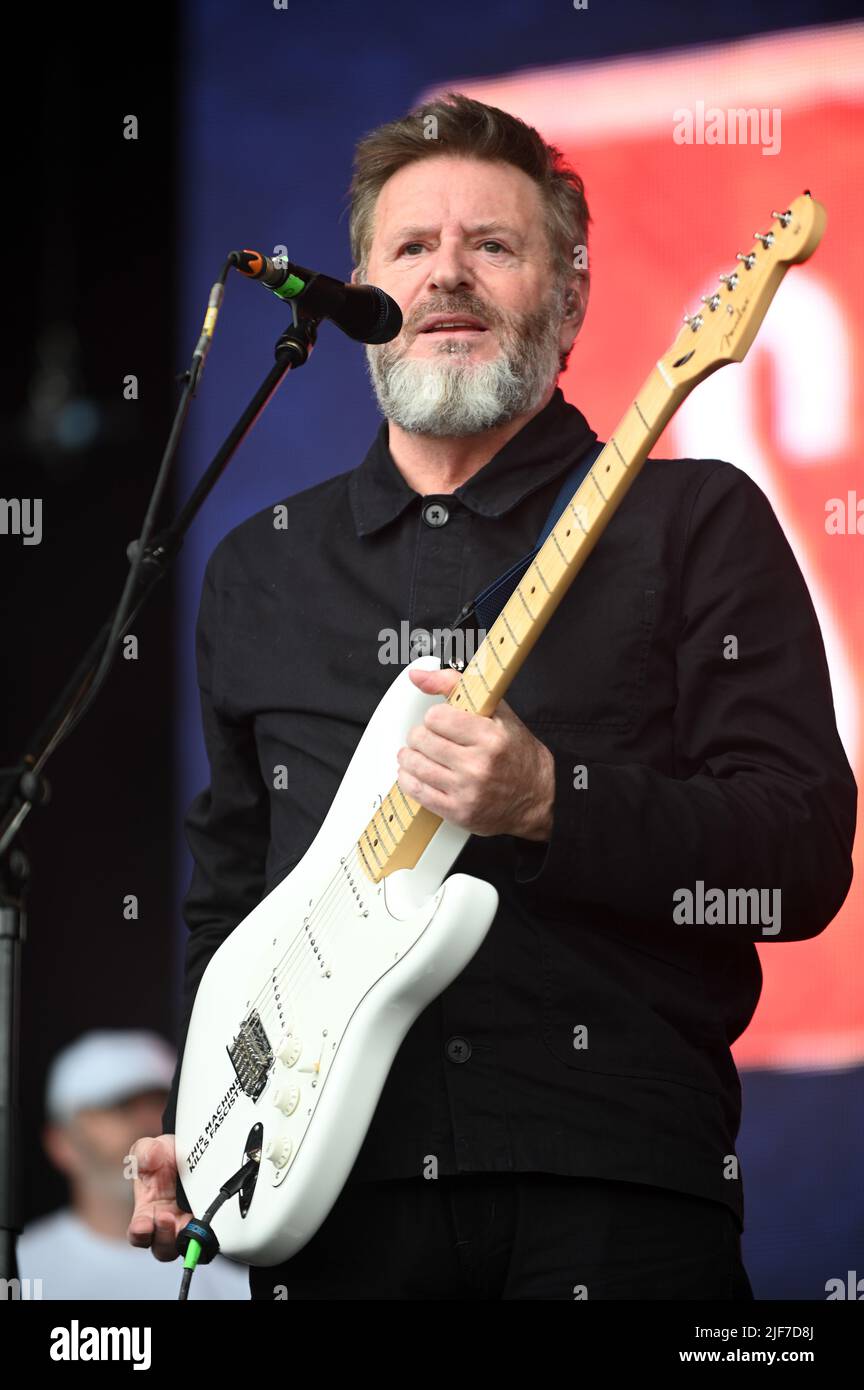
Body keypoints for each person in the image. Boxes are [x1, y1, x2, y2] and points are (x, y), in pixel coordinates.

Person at [127, 92, 857, 1300]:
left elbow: (800, 858)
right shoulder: (262, 566)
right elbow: (234, 900)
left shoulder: (696, 522)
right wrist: (202, 1123)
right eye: (411, 249)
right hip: (330, 1209)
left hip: (612, 1193)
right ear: (360, 295)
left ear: (569, 297)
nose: (446, 277)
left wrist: (554, 802)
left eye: (494, 246)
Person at [18, 1029, 248, 1299]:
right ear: (62, 1144)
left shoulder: (239, 1284)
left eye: (160, 1106)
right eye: (121, 1107)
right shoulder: (17, 1270)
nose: (148, 1125)